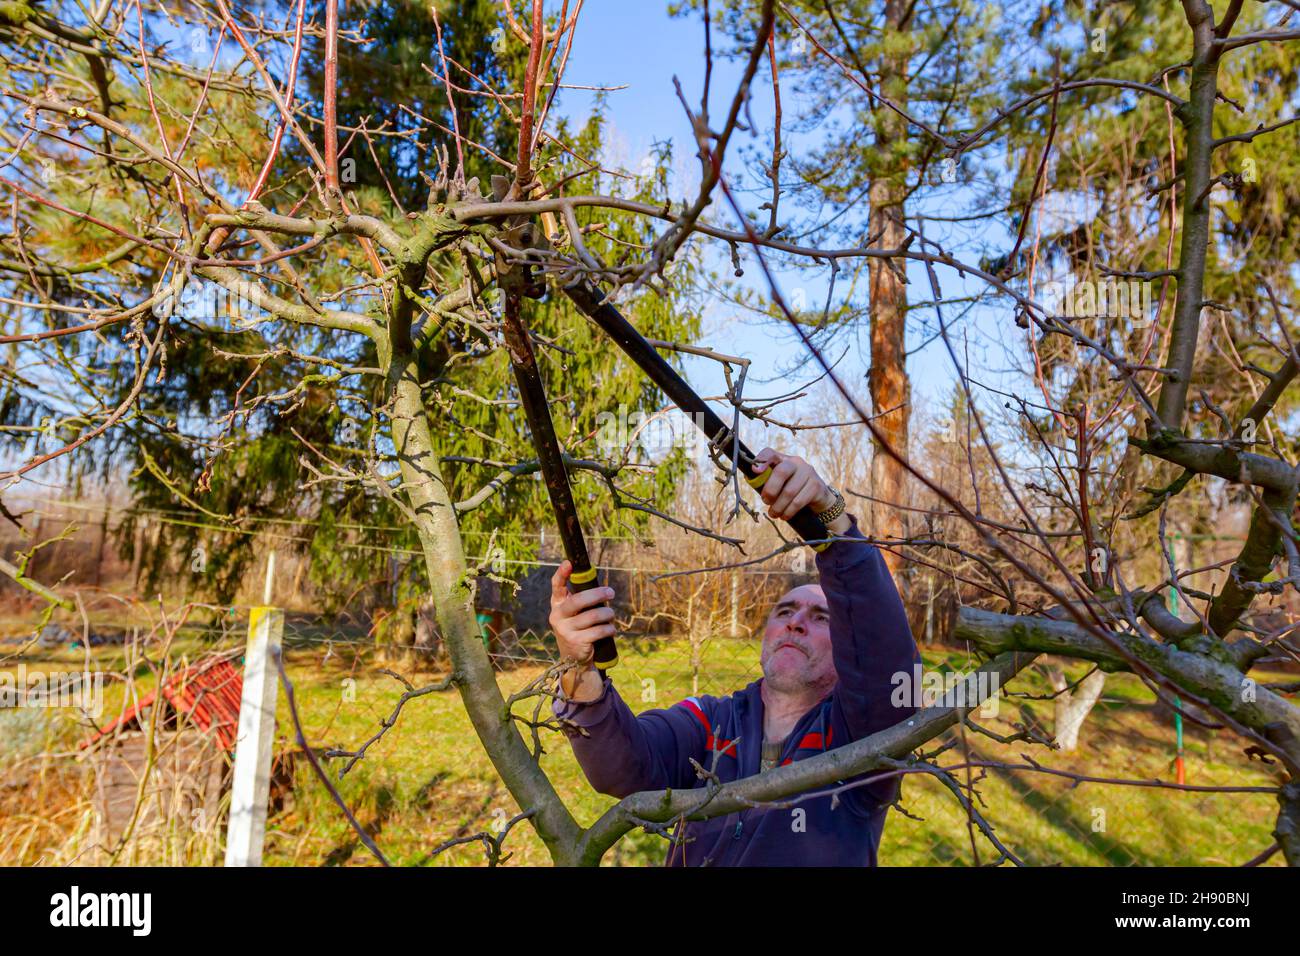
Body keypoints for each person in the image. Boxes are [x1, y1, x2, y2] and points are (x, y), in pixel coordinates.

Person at [550, 448, 920, 865]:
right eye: (785, 611)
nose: (795, 622)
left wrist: (832, 521)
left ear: (847, 643)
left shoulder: (862, 741)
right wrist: (578, 668)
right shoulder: (713, 722)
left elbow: (887, 664)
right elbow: (623, 767)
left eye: (820, 617)